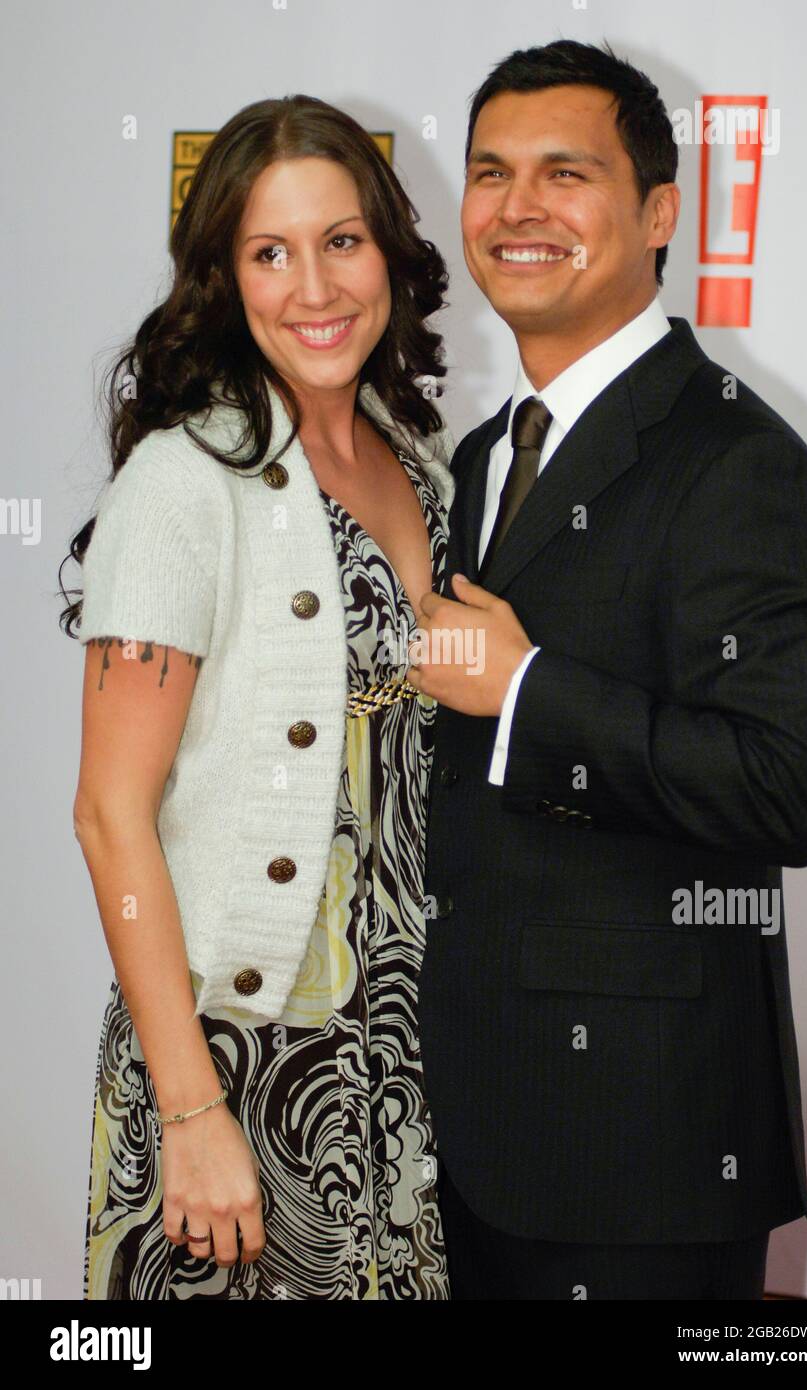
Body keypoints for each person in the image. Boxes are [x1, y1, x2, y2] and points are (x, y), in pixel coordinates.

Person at [407, 39, 807, 1300]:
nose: (518, 208)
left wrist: (526, 688)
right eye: (490, 173)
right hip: (448, 1131)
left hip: (640, 1152)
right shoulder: (476, 458)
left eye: (566, 173)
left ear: (659, 212)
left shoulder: (739, 461)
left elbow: (790, 789)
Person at [63, 94, 455, 1299]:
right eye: (269, 253)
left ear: (386, 249)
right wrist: (190, 1109)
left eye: (341, 241)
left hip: (401, 1045)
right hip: (243, 1050)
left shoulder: (416, 459)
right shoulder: (184, 480)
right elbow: (109, 814)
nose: (314, 288)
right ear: (223, 279)